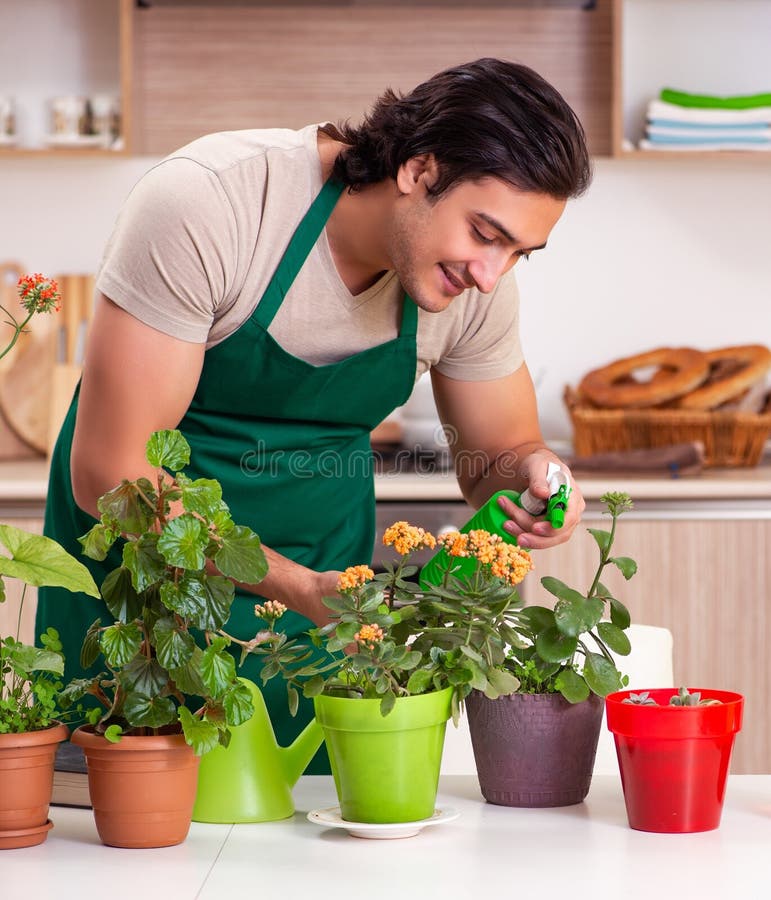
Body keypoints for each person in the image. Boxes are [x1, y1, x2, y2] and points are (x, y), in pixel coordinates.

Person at [37, 58, 590, 772]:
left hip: (318, 616)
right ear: (418, 170)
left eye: (520, 253)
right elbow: (116, 477)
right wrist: (298, 588)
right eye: (485, 234)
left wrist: (536, 477)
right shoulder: (213, 204)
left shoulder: (476, 288)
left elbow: (498, 456)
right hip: (148, 597)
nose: (492, 274)